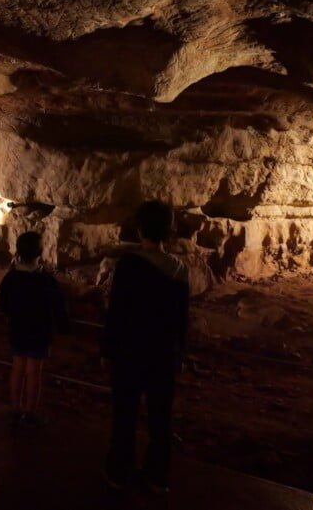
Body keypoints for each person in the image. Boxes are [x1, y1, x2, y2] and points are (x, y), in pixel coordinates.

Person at [102, 200, 189, 494]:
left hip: (130, 351)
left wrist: (107, 349)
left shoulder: (129, 265)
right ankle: (158, 476)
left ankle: (119, 471)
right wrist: (180, 353)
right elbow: (181, 319)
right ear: (168, 232)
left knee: (125, 415)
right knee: (160, 418)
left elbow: (116, 313)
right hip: (162, 353)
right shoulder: (179, 270)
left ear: (140, 229)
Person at [0, 231, 69, 427]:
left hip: (17, 328)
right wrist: (63, 326)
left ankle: (15, 408)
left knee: (18, 367)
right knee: (34, 372)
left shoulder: (12, 278)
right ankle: (30, 413)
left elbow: (2, 300)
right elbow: (58, 306)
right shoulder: (45, 280)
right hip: (39, 331)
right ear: (40, 252)